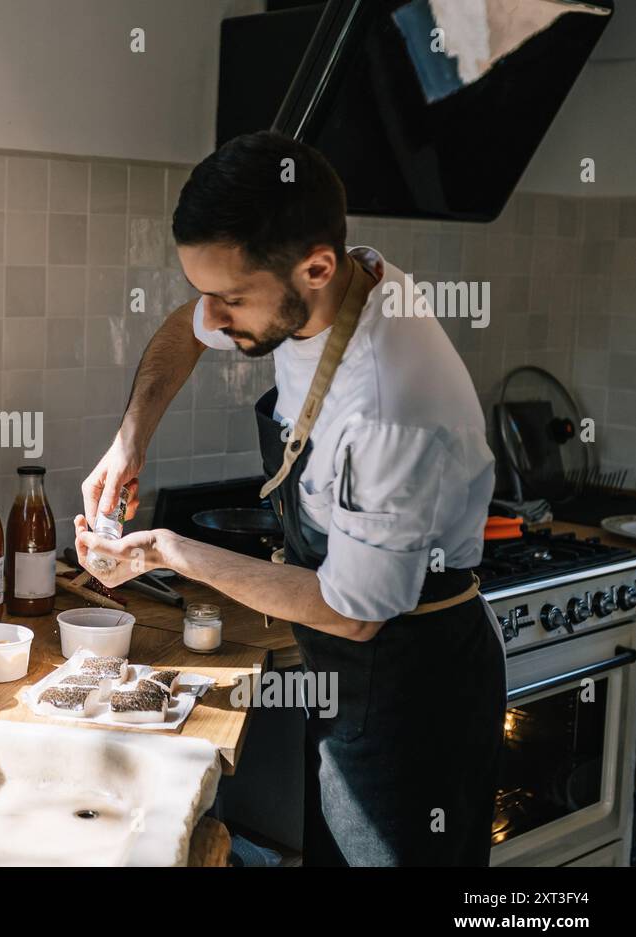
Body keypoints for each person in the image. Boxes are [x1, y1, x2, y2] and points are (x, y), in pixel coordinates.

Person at [75, 131, 506, 866]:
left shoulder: (389, 405)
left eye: (231, 299)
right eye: (204, 289)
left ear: (314, 267)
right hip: (347, 669)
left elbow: (353, 612)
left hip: (414, 687)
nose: (212, 314)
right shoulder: (337, 276)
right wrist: (130, 439)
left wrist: (172, 551)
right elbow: (188, 328)